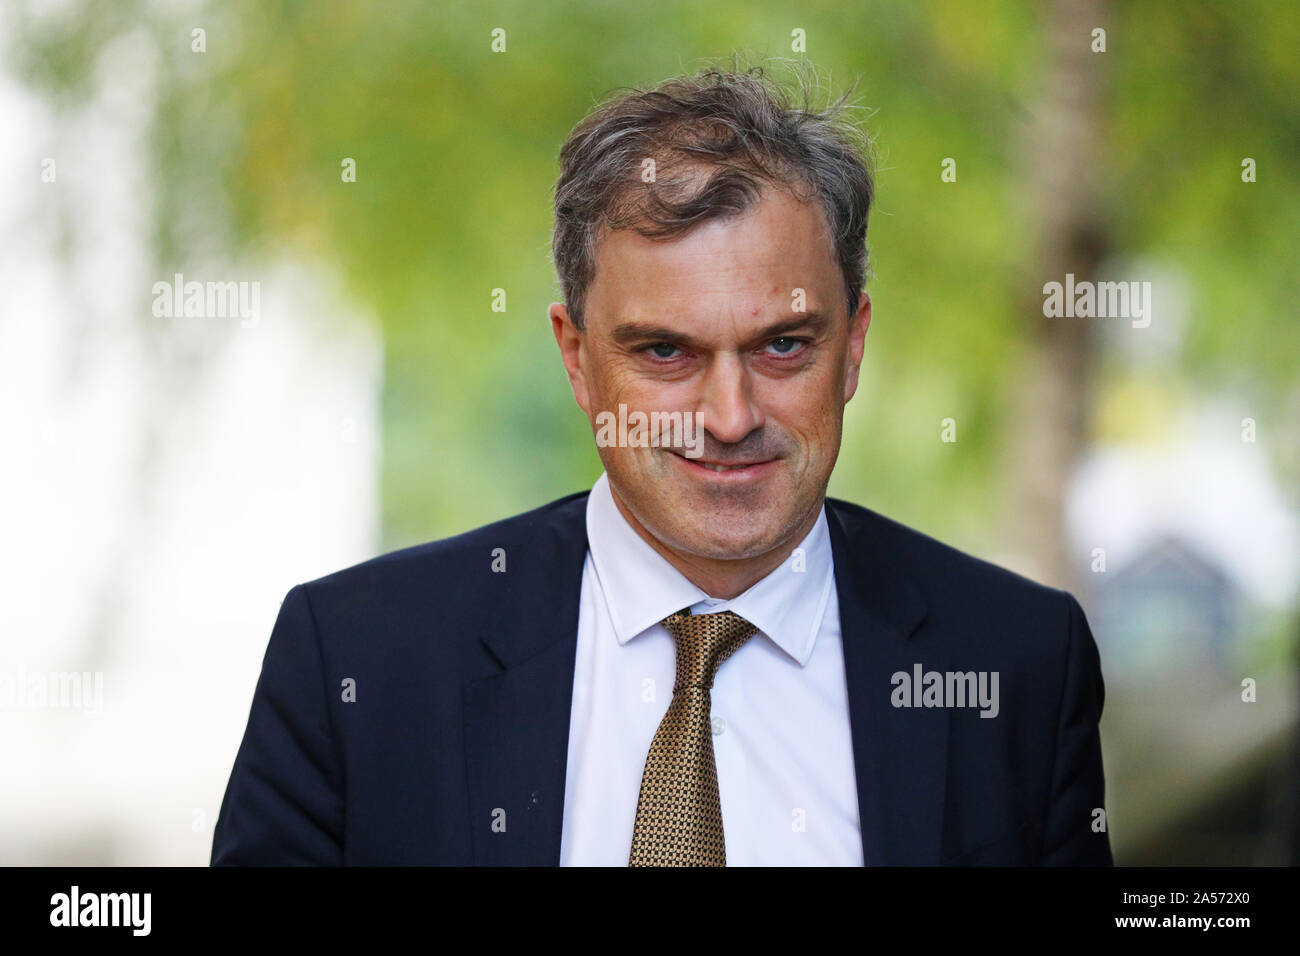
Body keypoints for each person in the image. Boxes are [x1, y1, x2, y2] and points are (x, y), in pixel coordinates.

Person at [211, 63, 1112, 866]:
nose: (730, 418)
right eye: (667, 354)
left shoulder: (1019, 663)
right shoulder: (357, 663)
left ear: (854, 345)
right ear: (576, 358)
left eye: (784, 345)